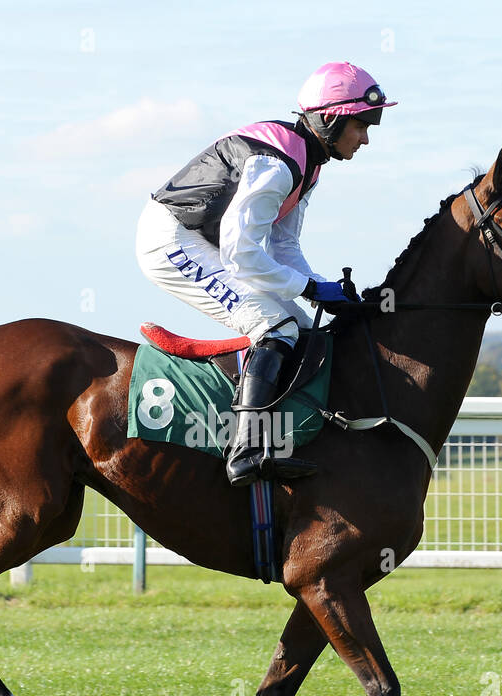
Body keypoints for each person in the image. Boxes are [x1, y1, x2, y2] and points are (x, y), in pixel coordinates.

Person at [135, 61, 396, 486]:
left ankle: (279, 437)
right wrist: (311, 287)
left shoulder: (308, 164)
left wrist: (320, 291)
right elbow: (243, 257)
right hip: (170, 240)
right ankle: (245, 451)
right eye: (362, 125)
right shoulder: (277, 166)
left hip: (203, 240)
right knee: (275, 326)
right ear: (330, 119)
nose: (366, 138)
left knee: (301, 327)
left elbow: (283, 246)